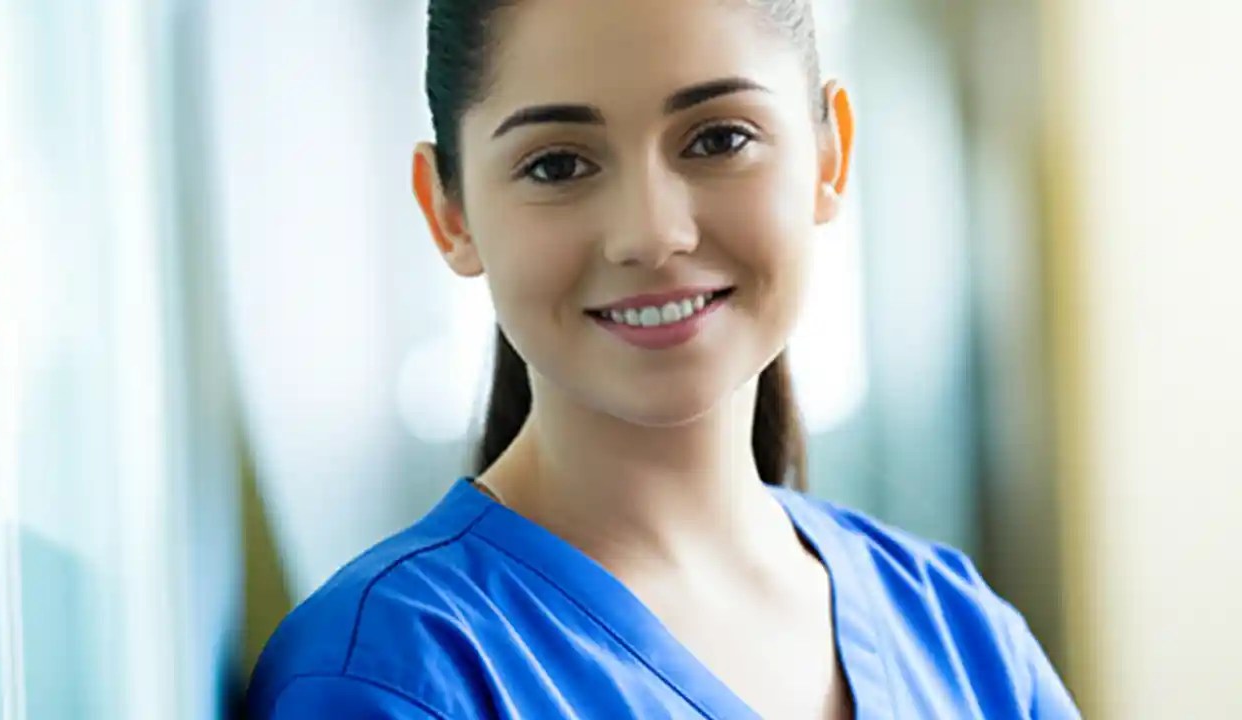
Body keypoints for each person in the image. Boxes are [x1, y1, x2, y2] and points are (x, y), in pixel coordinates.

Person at [245, 0, 1081, 717]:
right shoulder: (392, 677)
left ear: (830, 155)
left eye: (718, 139)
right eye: (557, 164)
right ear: (448, 214)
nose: (651, 233)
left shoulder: (963, 636)